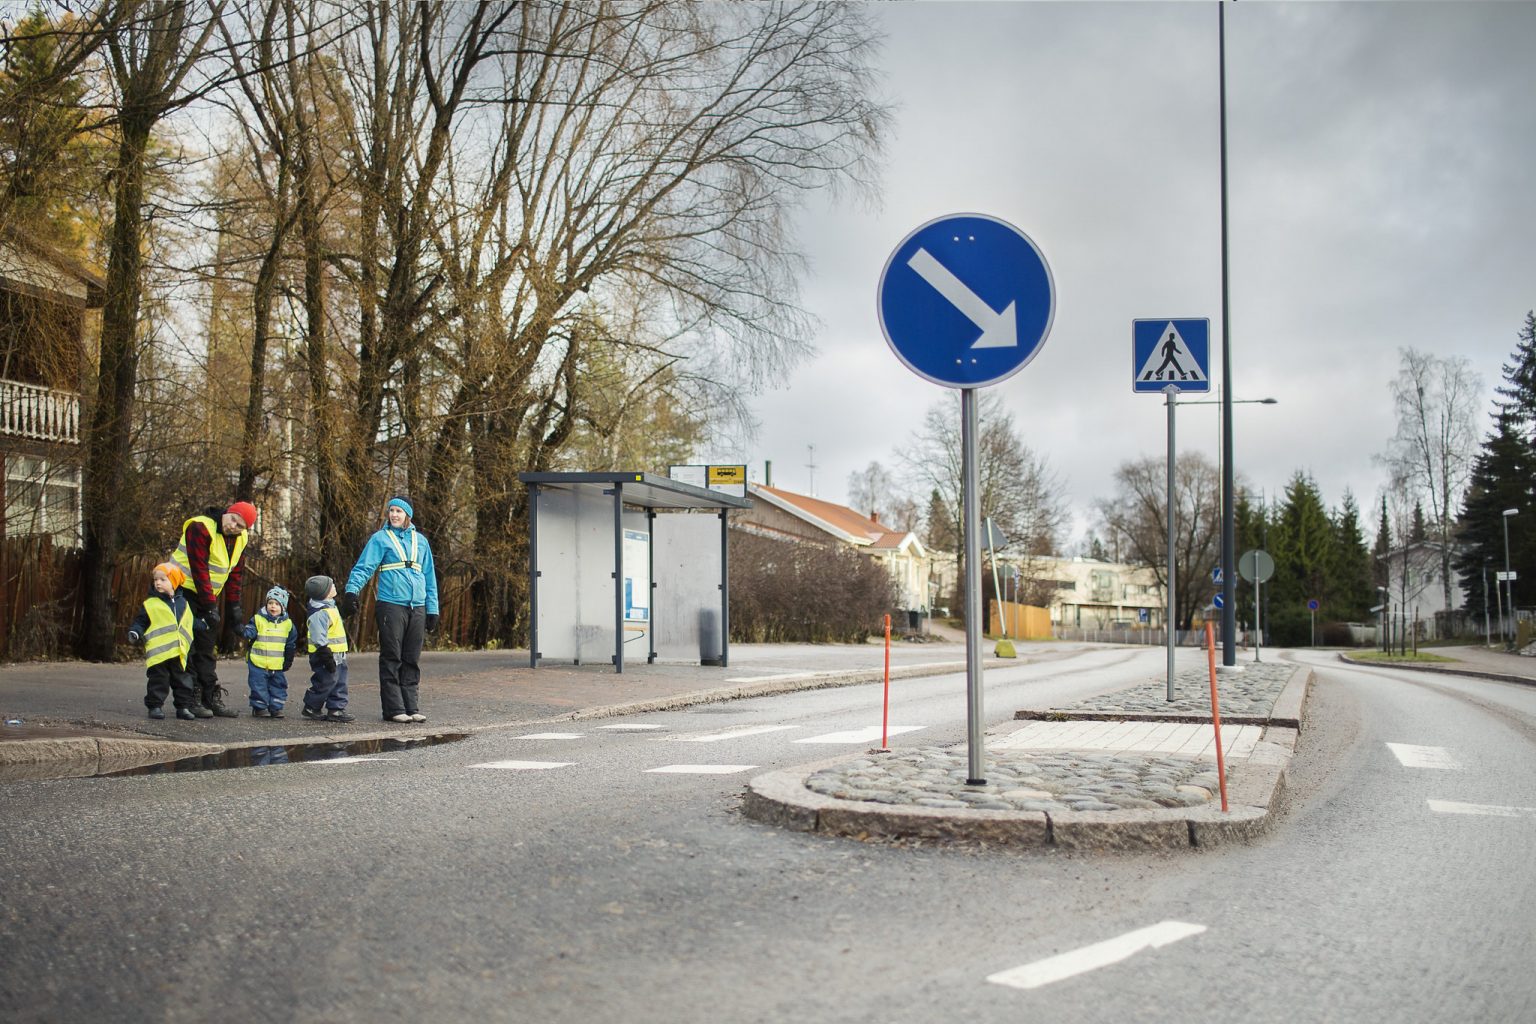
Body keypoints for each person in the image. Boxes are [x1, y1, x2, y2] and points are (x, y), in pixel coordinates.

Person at [342, 496, 439, 724]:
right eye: (391, 511)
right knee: (391, 657)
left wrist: (432, 609)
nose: (394, 515)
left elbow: (430, 578)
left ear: (408, 515)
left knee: (411, 658)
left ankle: (411, 706)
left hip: (417, 606)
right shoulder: (380, 539)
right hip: (391, 605)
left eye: (399, 511)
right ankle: (394, 709)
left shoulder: (421, 542)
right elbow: (364, 567)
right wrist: (351, 592)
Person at [167, 500, 258, 718]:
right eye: (233, 520)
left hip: (207, 596)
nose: (233, 527)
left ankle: (209, 697)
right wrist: (209, 607)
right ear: (227, 513)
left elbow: (235, 574)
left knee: (207, 647)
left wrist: (234, 607)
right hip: (181, 591)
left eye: (240, 526)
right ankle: (190, 698)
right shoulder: (200, 527)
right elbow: (199, 570)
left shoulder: (240, 539)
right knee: (188, 648)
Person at [126, 563, 203, 720]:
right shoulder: (151, 604)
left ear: (174, 582)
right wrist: (135, 631)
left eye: (163, 579)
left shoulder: (184, 604)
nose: (158, 583)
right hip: (159, 654)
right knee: (158, 681)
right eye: (156, 580)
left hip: (179, 652)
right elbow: (141, 621)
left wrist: (202, 624)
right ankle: (155, 706)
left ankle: (183, 707)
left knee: (183, 681)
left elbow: (189, 621)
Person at [300, 575, 354, 723]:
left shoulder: (330, 606)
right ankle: (311, 706)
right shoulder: (320, 613)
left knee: (340, 681)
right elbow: (319, 637)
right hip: (325, 654)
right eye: (331, 586)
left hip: (338, 654)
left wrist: (344, 613)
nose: (334, 587)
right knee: (325, 681)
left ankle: (336, 709)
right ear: (323, 592)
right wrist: (326, 655)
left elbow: (334, 623)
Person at [242, 585, 297, 718]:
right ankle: (259, 708)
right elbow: (250, 632)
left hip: (276, 664)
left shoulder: (288, 624)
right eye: (270, 603)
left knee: (279, 686)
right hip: (257, 662)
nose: (273, 606)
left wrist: (288, 660)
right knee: (258, 686)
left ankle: (276, 708)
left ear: (283, 607)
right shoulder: (257, 619)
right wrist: (243, 630)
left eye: (277, 604)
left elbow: (290, 644)